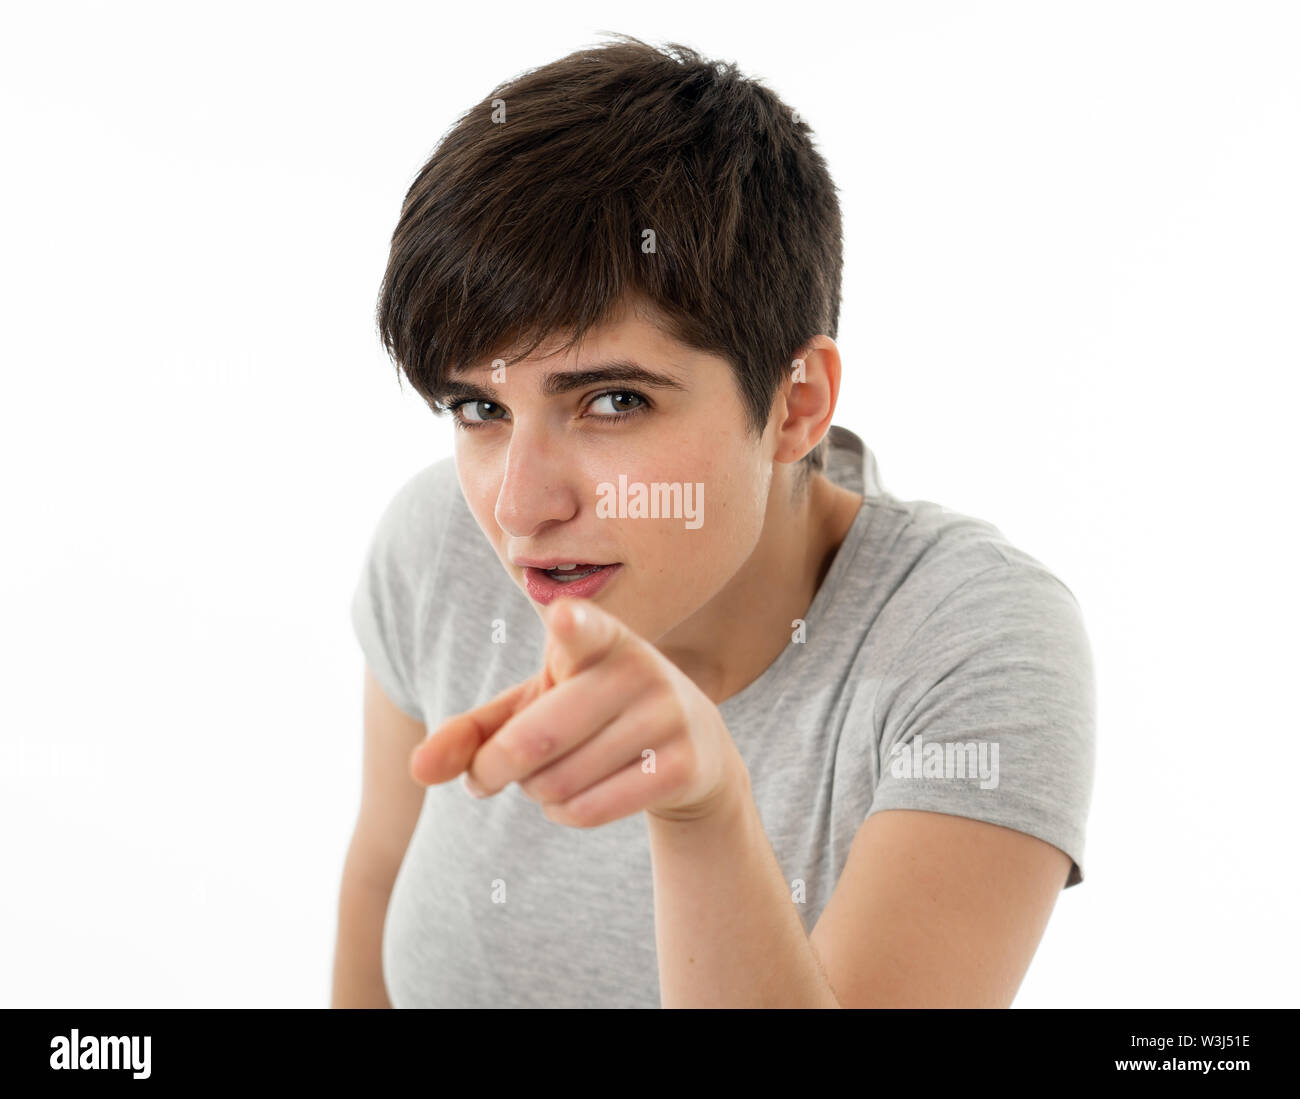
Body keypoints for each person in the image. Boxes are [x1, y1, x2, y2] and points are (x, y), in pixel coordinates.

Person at [330, 34, 1095, 1009]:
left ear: (796, 403)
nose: (520, 509)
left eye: (611, 400)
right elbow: (376, 876)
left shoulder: (968, 644)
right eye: (480, 408)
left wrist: (705, 812)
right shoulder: (437, 543)